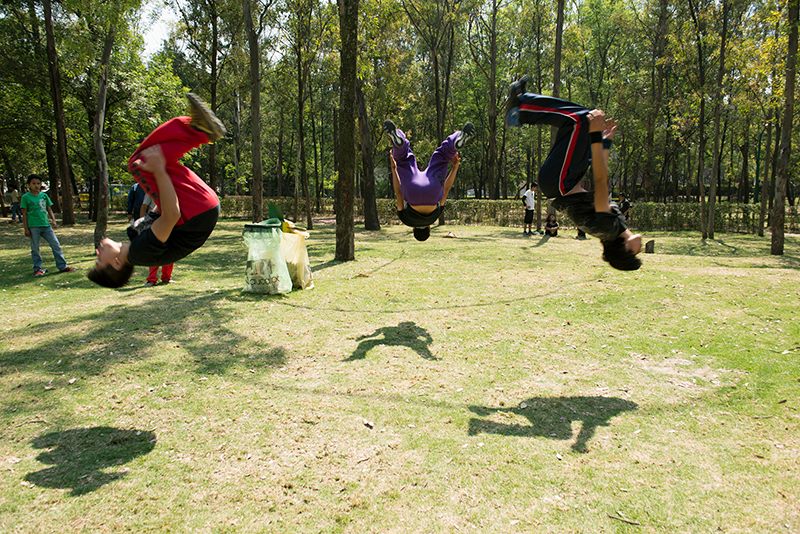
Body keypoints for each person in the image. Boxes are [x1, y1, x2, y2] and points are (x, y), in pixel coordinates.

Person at [88, 93, 225, 288]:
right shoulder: (142, 252)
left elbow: (160, 211)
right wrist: (159, 170)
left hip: (200, 209)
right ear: (116, 263)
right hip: (197, 212)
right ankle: (199, 130)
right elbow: (171, 215)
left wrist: (159, 169)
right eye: (99, 261)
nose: (97, 253)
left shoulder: (136, 240)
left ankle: (199, 128)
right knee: (140, 163)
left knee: (144, 160)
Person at [505, 77, 642, 270]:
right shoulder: (616, 227)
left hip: (561, 182)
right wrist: (605, 143)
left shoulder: (608, 229)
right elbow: (604, 180)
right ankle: (522, 106)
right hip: (566, 179)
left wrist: (595, 135)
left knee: (582, 120)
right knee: (581, 120)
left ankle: (521, 110)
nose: (640, 248)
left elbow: (601, 181)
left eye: (636, 252)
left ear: (627, 248)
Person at [384, 120, 474, 241]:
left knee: (442, 155)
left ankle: (455, 143)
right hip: (412, 190)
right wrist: (394, 168)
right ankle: (399, 143)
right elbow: (398, 193)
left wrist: (455, 167)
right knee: (402, 158)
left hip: (433, 190)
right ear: (414, 229)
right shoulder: (406, 220)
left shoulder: (434, 217)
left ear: (429, 229)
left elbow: (446, 189)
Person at [20, 174, 76, 276]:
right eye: (33, 183)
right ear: (29, 185)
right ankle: (37, 269)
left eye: (38, 183)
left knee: (56, 245)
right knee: (35, 249)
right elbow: (24, 214)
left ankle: (62, 266)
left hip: (46, 226)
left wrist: (53, 220)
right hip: (33, 227)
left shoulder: (44, 196)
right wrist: (26, 228)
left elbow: (49, 209)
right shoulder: (25, 197)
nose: (36, 186)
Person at [140, 193, 174, 286]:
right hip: (155, 223)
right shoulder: (151, 191)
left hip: (169, 223)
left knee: (169, 252)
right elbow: (144, 206)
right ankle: (151, 279)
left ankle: (167, 277)